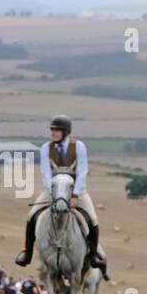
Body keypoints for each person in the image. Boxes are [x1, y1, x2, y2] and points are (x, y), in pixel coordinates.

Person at [15, 114, 109, 277]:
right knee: (31, 216)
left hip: (76, 190)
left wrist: (75, 194)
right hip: (53, 190)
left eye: (56, 130)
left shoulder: (79, 146)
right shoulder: (45, 148)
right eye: (52, 130)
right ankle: (27, 253)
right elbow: (45, 172)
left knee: (93, 219)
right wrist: (54, 193)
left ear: (65, 132)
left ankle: (93, 256)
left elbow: (83, 171)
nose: (53, 133)